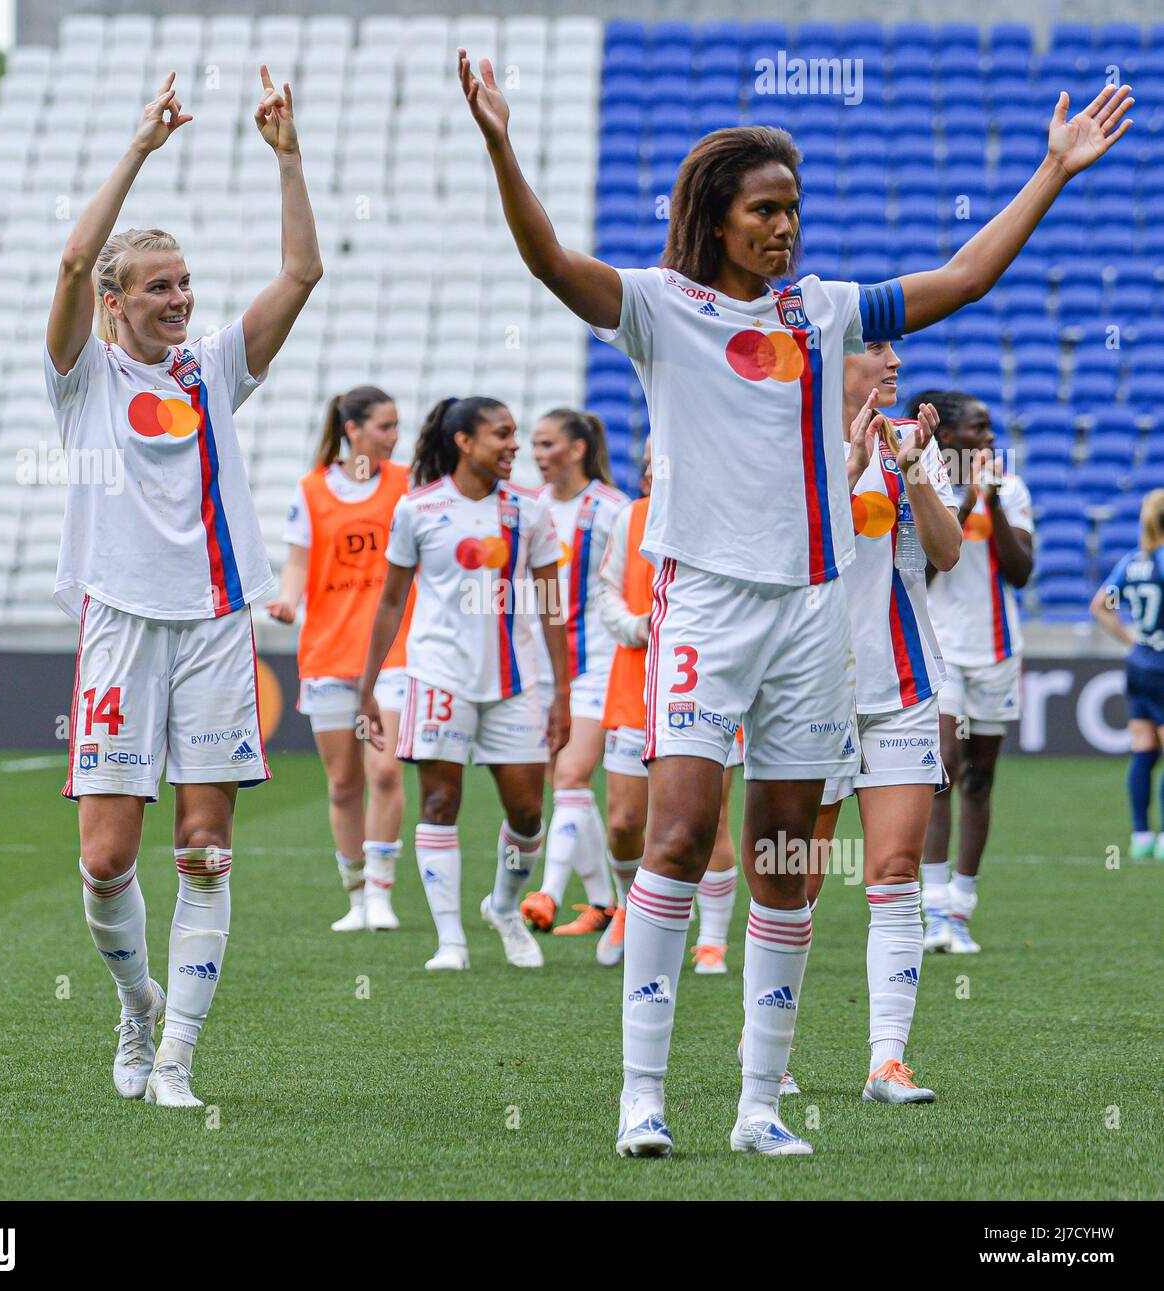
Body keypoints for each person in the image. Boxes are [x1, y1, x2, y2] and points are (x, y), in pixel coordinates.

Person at [459, 46, 1130, 1155]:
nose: (785, 227)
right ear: (716, 218)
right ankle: (642, 1097)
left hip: (816, 620)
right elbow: (548, 262)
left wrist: (1052, 171)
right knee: (675, 839)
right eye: (765, 210)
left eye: (794, 209)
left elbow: (962, 281)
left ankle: (759, 1104)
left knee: (783, 856)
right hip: (707, 610)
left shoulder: (825, 312)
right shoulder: (658, 308)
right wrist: (499, 143)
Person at [45, 69, 322, 1107]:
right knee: (108, 860)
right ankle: (134, 1005)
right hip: (119, 625)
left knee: (204, 850)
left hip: (215, 624)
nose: (180, 300)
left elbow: (301, 272)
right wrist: (139, 150)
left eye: (185, 283)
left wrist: (287, 155)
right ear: (116, 302)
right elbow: (74, 254)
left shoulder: (212, 369)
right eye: (158, 286)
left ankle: (176, 1061)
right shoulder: (81, 377)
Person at [357, 397, 570, 970]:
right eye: (502, 434)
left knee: (527, 814)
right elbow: (392, 600)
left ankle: (502, 907)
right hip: (439, 676)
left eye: (515, 434)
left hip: (516, 682)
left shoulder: (531, 510)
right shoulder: (418, 509)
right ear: (465, 442)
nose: (514, 445)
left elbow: (552, 605)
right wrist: (368, 683)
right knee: (440, 801)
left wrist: (561, 694)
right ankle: (450, 940)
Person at [805, 344, 962, 1105]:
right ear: (836, 357)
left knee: (895, 872)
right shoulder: (785, 431)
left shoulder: (907, 443)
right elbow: (790, 536)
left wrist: (915, 469)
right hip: (807, 687)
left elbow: (947, 552)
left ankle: (886, 1062)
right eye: (874, 345)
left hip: (901, 684)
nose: (894, 358)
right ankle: (762, 1042)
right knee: (795, 877)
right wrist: (847, 454)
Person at [267, 386, 415, 931]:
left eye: (397, 426)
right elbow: (298, 564)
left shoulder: (405, 485)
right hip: (329, 653)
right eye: (385, 426)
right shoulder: (311, 490)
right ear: (352, 429)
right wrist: (288, 600)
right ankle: (355, 896)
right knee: (343, 783)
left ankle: (381, 892)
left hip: (393, 653)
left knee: (384, 769)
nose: (394, 436)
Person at [597, 440, 743, 974]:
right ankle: (627, 907)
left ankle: (712, 939)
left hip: (708, 687)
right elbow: (606, 591)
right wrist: (636, 627)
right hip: (634, 686)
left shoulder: (726, 517)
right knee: (624, 820)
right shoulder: (628, 520)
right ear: (645, 478)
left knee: (712, 819)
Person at [919, 391, 1034, 954]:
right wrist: (966, 501)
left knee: (980, 780)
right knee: (941, 768)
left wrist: (995, 500)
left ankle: (962, 907)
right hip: (941, 650)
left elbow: (1021, 573)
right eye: (979, 428)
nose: (989, 438)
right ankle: (933, 906)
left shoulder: (1011, 488)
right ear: (950, 436)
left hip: (996, 653)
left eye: (990, 429)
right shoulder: (929, 483)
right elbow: (933, 567)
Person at [519, 408, 629, 936]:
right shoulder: (528, 507)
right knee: (564, 787)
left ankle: (548, 891)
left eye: (547, 444)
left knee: (570, 774)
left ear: (578, 449)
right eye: (534, 446)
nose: (538, 455)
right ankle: (605, 904)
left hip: (599, 663)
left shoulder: (612, 510)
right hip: (540, 667)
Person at [1091, 489, 1164, 859]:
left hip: (1139, 662)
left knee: (1143, 749)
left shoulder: (1135, 560)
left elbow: (1101, 605)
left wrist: (1131, 638)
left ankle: (1140, 837)